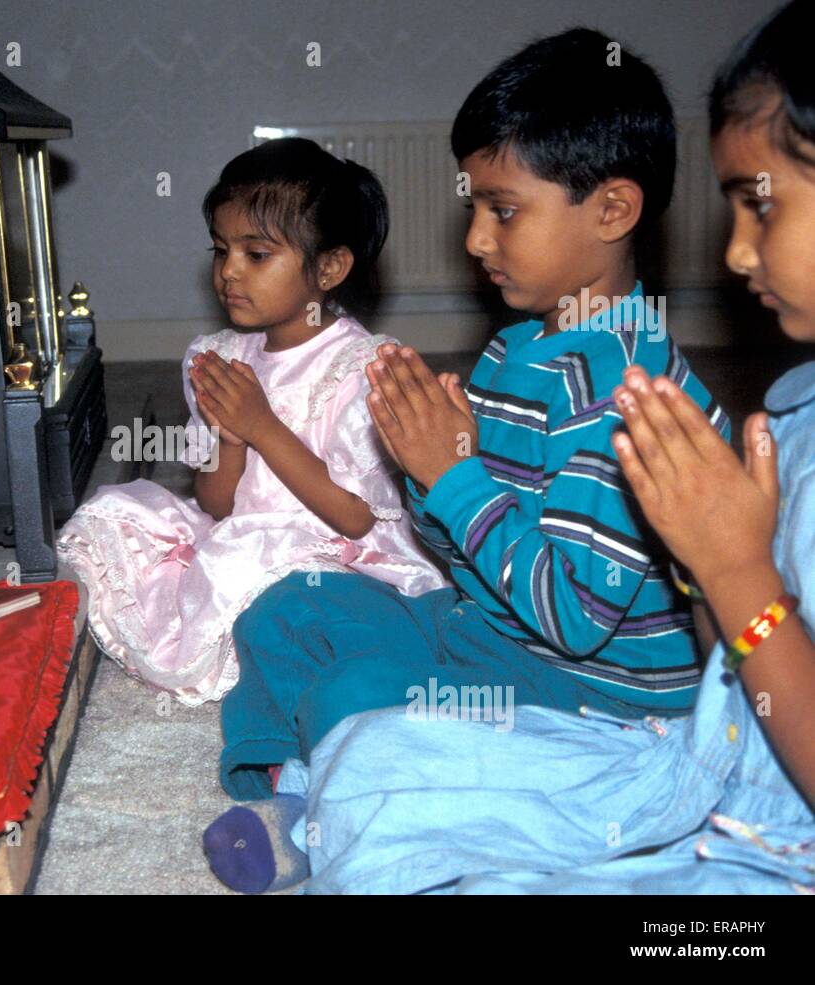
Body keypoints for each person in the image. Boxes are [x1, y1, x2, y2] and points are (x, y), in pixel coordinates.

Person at [214, 1, 815, 896]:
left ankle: (313, 809)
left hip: (590, 691)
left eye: (502, 210)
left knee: (360, 690)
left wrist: (454, 475)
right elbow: (462, 551)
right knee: (288, 611)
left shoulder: (625, 397)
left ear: (612, 209)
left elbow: (572, 619)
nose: (475, 239)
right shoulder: (516, 348)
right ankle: (297, 780)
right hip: (488, 625)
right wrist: (431, 474)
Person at [58, 138, 447, 707]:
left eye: (256, 255)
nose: (229, 273)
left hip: (335, 547)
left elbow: (356, 517)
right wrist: (230, 435)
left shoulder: (363, 367)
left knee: (296, 608)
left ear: (331, 267)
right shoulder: (218, 357)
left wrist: (263, 426)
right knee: (108, 524)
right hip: (246, 533)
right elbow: (218, 505)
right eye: (221, 251)